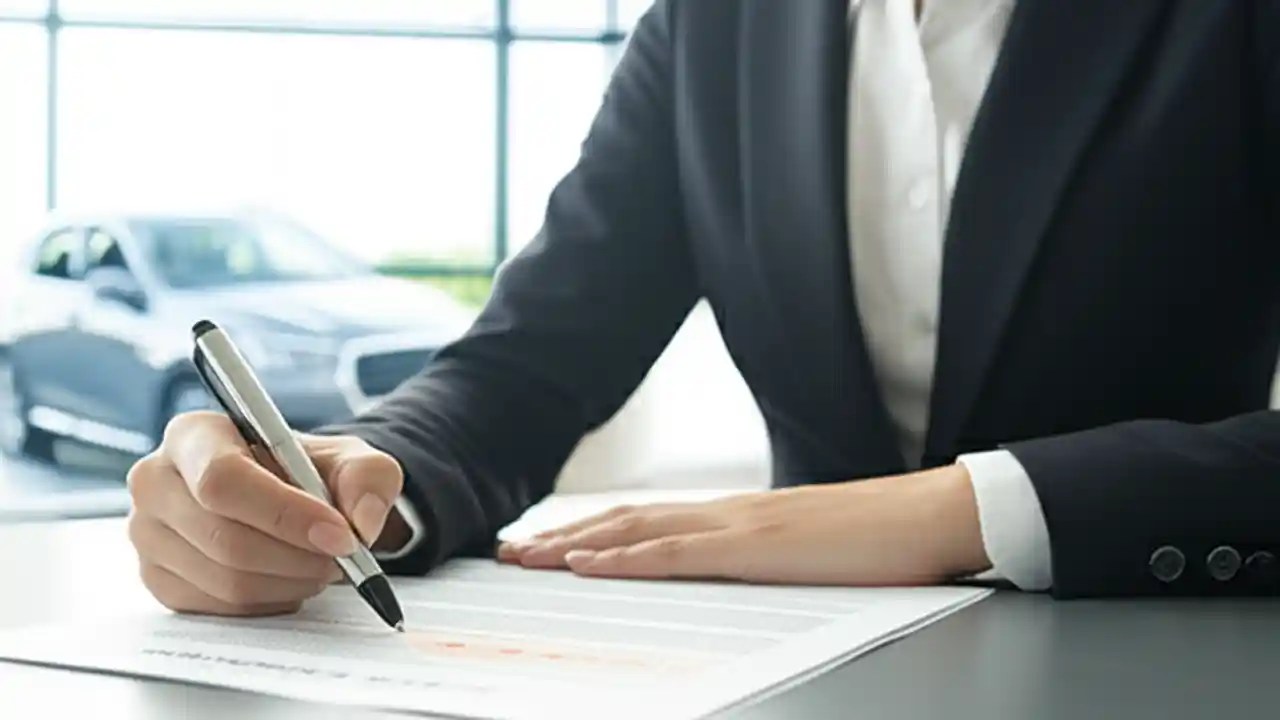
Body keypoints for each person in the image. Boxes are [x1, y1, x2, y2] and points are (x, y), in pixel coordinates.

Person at [127, 0, 1280, 617]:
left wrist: (956, 511)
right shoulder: (713, 26)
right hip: (791, 670)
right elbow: (522, 370)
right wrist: (349, 483)